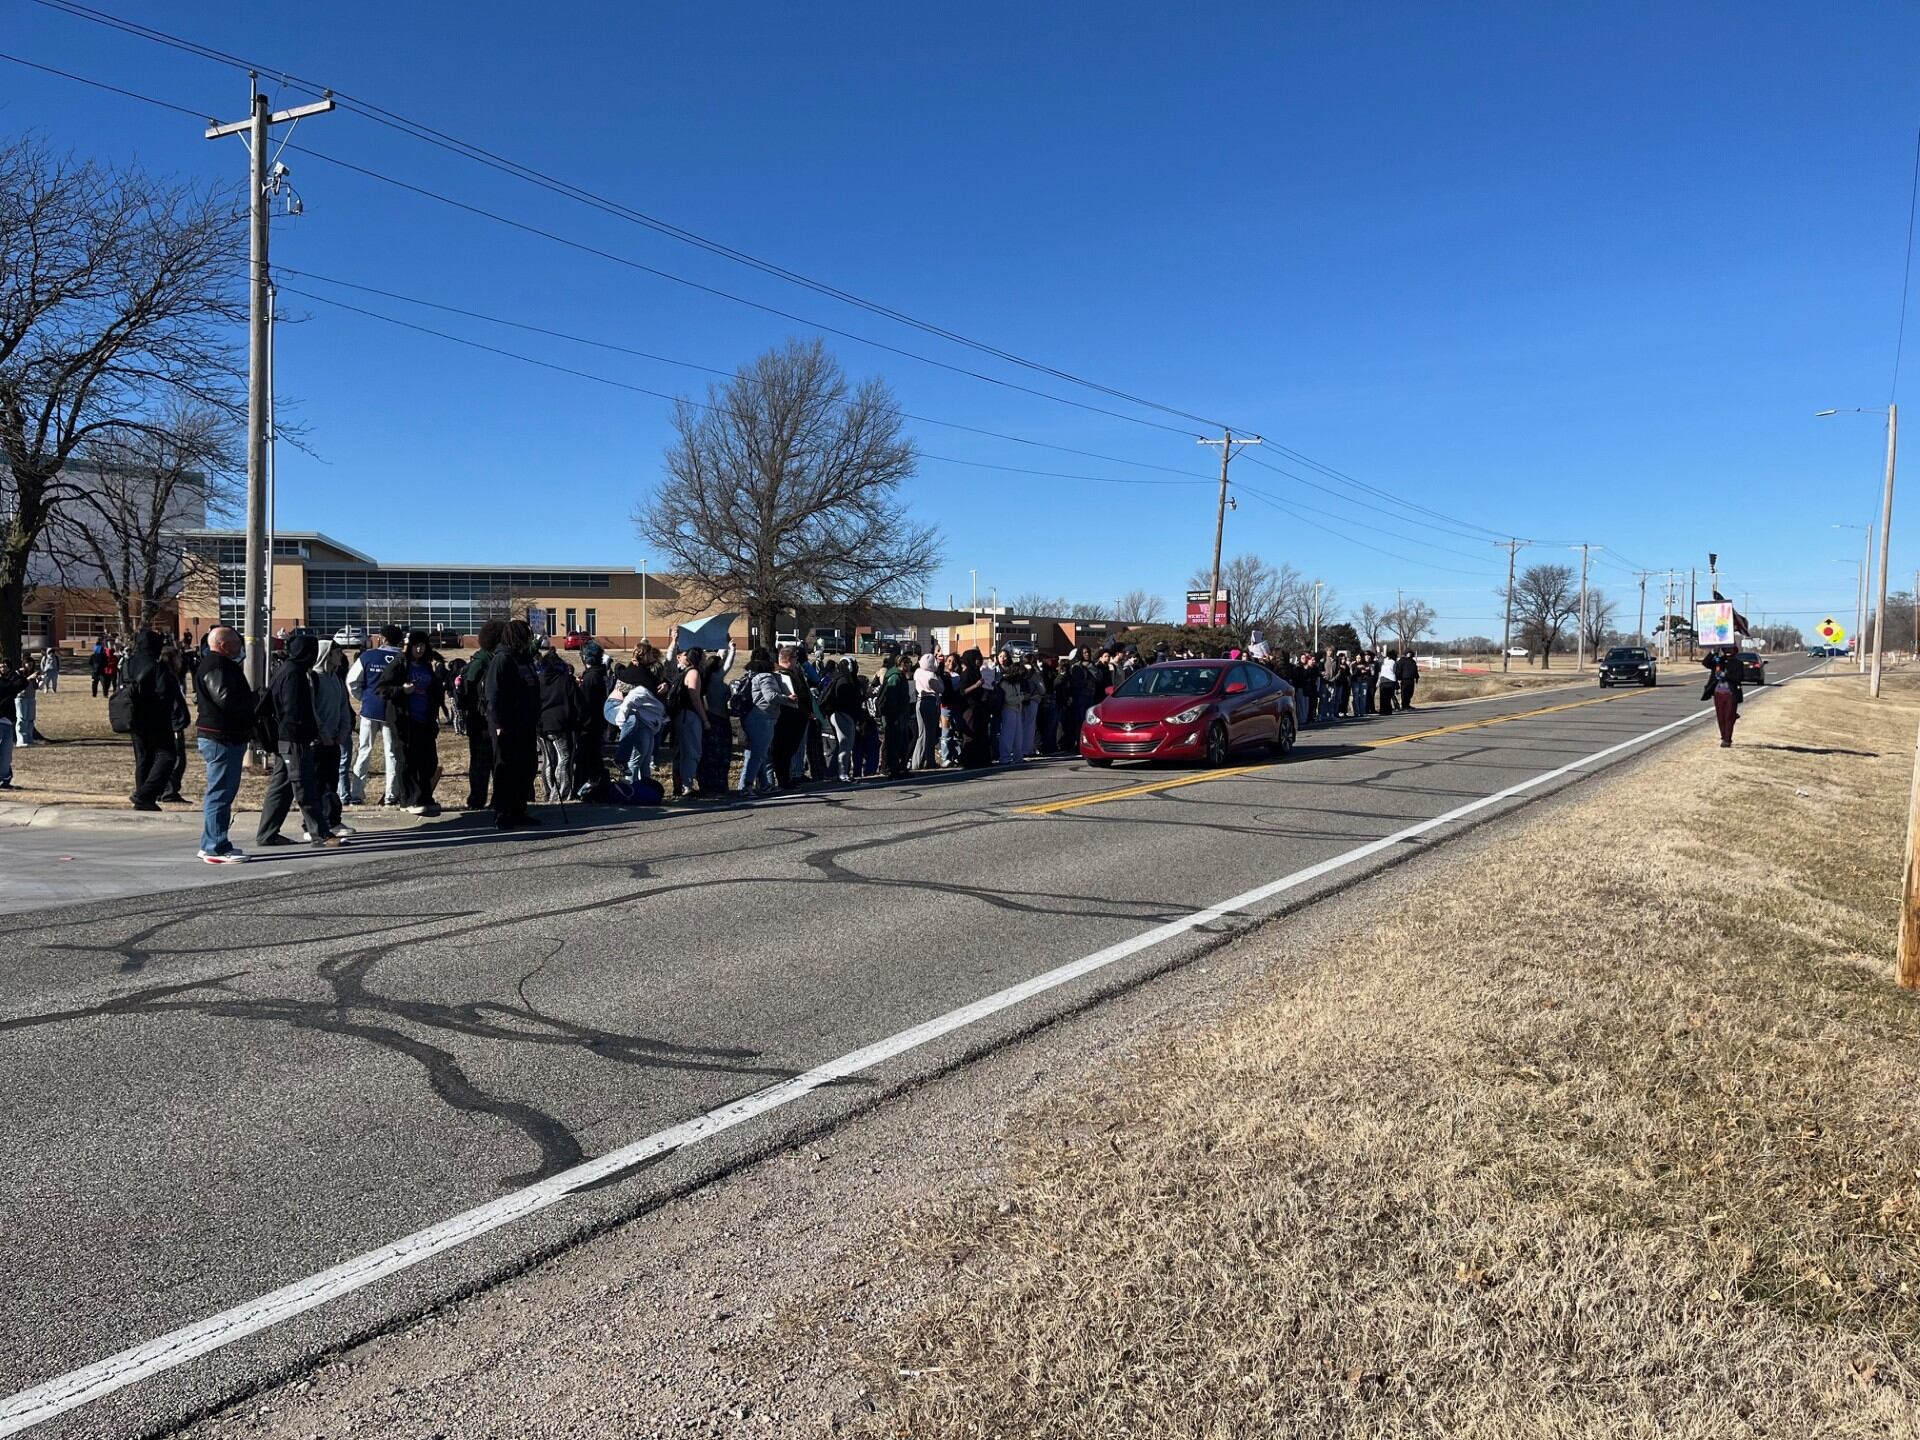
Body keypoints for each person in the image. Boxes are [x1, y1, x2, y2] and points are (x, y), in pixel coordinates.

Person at [256, 631, 341, 848]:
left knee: (281, 788)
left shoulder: (288, 669)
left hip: (287, 739)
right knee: (304, 786)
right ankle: (320, 833)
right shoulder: (294, 674)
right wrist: (310, 734)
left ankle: (268, 834)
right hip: (295, 739)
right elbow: (293, 711)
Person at [192, 627, 254, 861]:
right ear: (224, 644)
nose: (240, 647)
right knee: (220, 791)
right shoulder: (216, 666)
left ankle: (214, 841)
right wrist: (251, 701)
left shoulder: (220, 664)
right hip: (220, 736)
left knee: (223, 790)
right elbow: (226, 699)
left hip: (225, 735)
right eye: (237, 642)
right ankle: (214, 846)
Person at [377, 630, 447, 815]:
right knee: (407, 761)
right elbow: (382, 688)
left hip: (425, 721)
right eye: (416, 645)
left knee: (428, 761)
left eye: (423, 645)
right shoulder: (400, 664)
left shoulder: (426, 666)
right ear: (409, 646)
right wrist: (402, 690)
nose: (419, 649)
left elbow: (433, 690)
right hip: (404, 721)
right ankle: (408, 799)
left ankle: (425, 797)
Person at [486, 619, 541, 828]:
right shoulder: (502, 659)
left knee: (526, 767)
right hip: (507, 724)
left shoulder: (525, 660)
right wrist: (498, 722)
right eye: (525, 635)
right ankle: (503, 812)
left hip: (526, 723)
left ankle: (519, 808)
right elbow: (493, 694)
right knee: (506, 768)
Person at [123, 630, 185, 811]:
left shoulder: (128, 664)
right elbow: (165, 693)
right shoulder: (157, 666)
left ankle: (143, 795)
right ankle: (144, 794)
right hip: (156, 718)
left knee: (143, 758)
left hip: (132, 716)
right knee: (167, 756)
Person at [345, 624, 404, 806]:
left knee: (364, 750)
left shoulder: (368, 656)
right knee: (391, 753)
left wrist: (364, 697)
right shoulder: (402, 658)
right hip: (392, 711)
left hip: (370, 709)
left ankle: (356, 793)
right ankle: (391, 794)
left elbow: (352, 681)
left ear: (382, 638)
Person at [311, 640, 355, 838]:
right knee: (320, 784)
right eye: (337, 652)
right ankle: (318, 823)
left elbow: (343, 706)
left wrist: (343, 731)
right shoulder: (313, 678)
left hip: (335, 740)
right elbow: (312, 710)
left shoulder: (336, 677)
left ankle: (332, 820)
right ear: (327, 654)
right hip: (318, 742)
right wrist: (323, 735)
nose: (341, 656)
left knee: (332, 780)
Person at [459, 620, 504, 810]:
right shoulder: (481, 662)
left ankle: (495, 798)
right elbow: (468, 692)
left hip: (487, 719)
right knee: (480, 762)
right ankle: (477, 799)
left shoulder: (489, 659)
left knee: (494, 761)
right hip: (480, 721)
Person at [533, 640, 582, 803]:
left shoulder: (537, 680)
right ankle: (560, 792)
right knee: (564, 757)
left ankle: (548, 791)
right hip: (560, 724)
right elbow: (578, 704)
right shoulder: (566, 680)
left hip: (541, 725)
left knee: (548, 759)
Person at [737, 647, 783, 795]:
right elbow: (770, 697)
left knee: (754, 752)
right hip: (763, 717)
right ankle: (746, 786)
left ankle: (764, 784)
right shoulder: (765, 677)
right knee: (757, 755)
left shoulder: (749, 675)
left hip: (748, 716)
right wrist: (787, 698)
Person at [770, 646, 813, 789]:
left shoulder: (795, 672)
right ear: (788, 659)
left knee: (790, 749)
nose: (797, 660)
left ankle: (788, 777)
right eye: (795, 658)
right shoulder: (780, 674)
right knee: (783, 750)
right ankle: (784, 779)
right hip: (788, 716)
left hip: (799, 716)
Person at [577, 641, 610, 797]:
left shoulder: (591, 678)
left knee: (589, 759)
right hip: (598, 722)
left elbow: (585, 704)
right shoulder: (600, 675)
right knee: (595, 756)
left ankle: (589, 789)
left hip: (589, 725)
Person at [698, 651, 733, 796]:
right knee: (720, 756)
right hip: (719, 721)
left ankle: (709, 785)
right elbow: (728, 665)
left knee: (710, 755)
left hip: (711, 719)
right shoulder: (715, 679)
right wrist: (732, 650)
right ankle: (718, 786)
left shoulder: (706, 680)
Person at [160, 641, 189, 801]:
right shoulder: (168, 680)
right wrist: (179, 722)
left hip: (173, 723)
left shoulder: (171, 678)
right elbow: (173, 705)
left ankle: (167, 789)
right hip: (173, 725)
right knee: (177, 759)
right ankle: (169, 790)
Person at [1702, 647, 1746, 747]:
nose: (1728, 652)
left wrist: (1725, 676)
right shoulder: (1718, 660)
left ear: (1735, 652)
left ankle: (1727, 740)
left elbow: (1739, 678)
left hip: (1731, 694)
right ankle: (1724, 736)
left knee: (1728, 718)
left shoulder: (1738, 663)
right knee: (1721, 717)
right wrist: (1713, 652)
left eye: (1731, 650)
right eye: (1726, 650)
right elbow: (1705, 663)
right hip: (1718, 694)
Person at [0, 656, 28, 790]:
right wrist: (18, 675)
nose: (2, 668)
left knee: (5, 753)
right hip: (2, 722)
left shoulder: (9, 683)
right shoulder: (5, 684)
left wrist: (20, 675)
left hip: (6, 722)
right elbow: (14, 686)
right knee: (4, 753)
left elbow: (21, 685)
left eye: (4, 666)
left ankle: (4, 778)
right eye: (1, 666)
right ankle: (4, 778)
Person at [912, 652, 942, 770]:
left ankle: (924, 761)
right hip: (930, 701)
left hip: (919, 701)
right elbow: (941, 688)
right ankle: (922, 761)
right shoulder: (932, 676)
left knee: (922, 732)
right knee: (928, 733)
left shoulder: (917, 672)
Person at [14, 653, 38, 747]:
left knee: (30, 719)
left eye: (32, 664)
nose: (30, 666)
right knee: (22, 719)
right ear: (24, 663)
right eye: (28, 663)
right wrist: (29, 678)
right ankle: (21, 740)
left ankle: (29, 739)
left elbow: (36, 687)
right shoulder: (19, 673)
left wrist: (39, 680)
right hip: (21, 698)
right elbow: (18, 684)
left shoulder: (33, 673)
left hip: (31, 698)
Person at [1377, 650, 1398, 716]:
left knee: (1383, 697)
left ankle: (1383, 710)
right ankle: (1388, 710)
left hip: (1384, 680)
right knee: (1388, 697)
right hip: (1391, 680)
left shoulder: (1386, 660)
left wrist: (1380, 654)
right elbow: (1395, 671)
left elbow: (1379, 662)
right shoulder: (1394, 662)